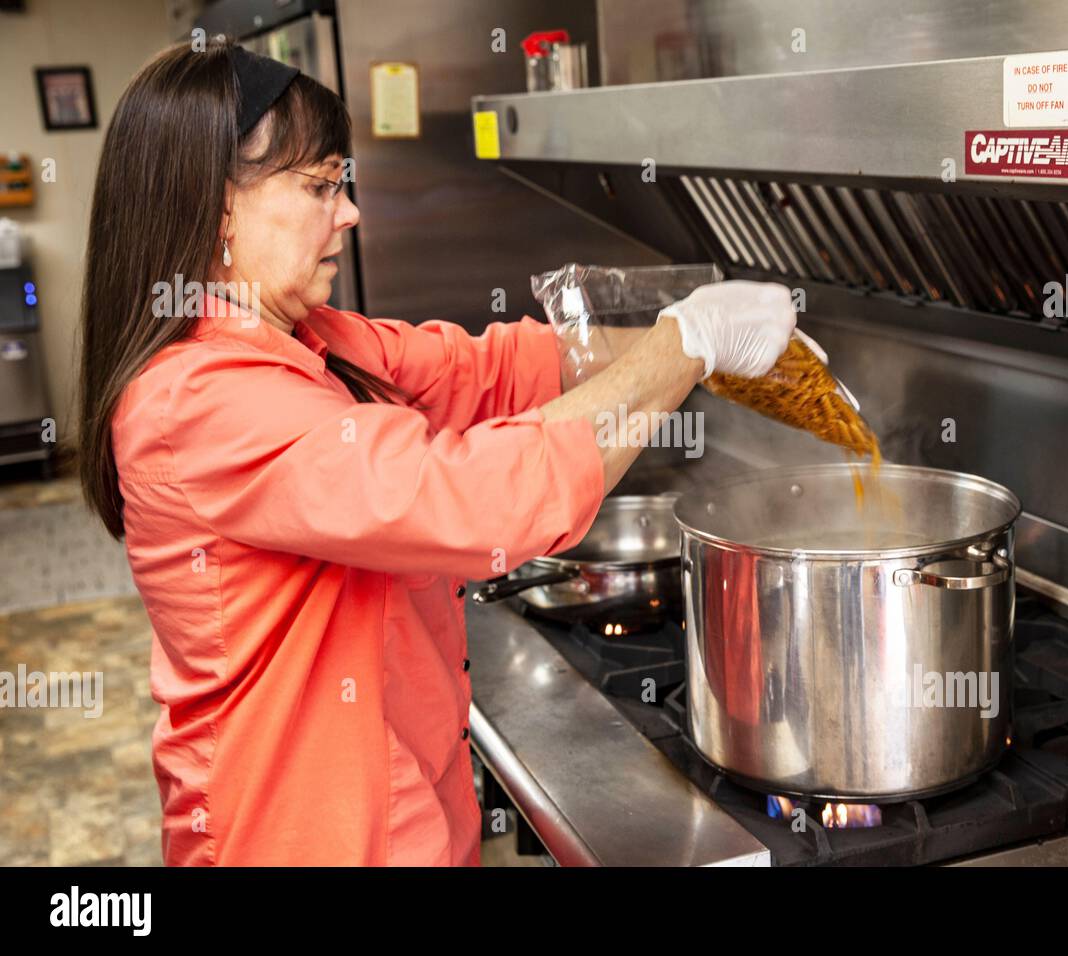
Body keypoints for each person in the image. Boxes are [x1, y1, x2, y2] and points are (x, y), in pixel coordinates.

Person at [76, 41, 796, 865]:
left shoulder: (304, 336)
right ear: (213, 207)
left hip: (406, 818)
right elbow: (468, 497)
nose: (347, 211)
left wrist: (731, 350)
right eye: (318, 187)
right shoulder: (198, 398)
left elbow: (482, 370)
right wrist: (687, 344)